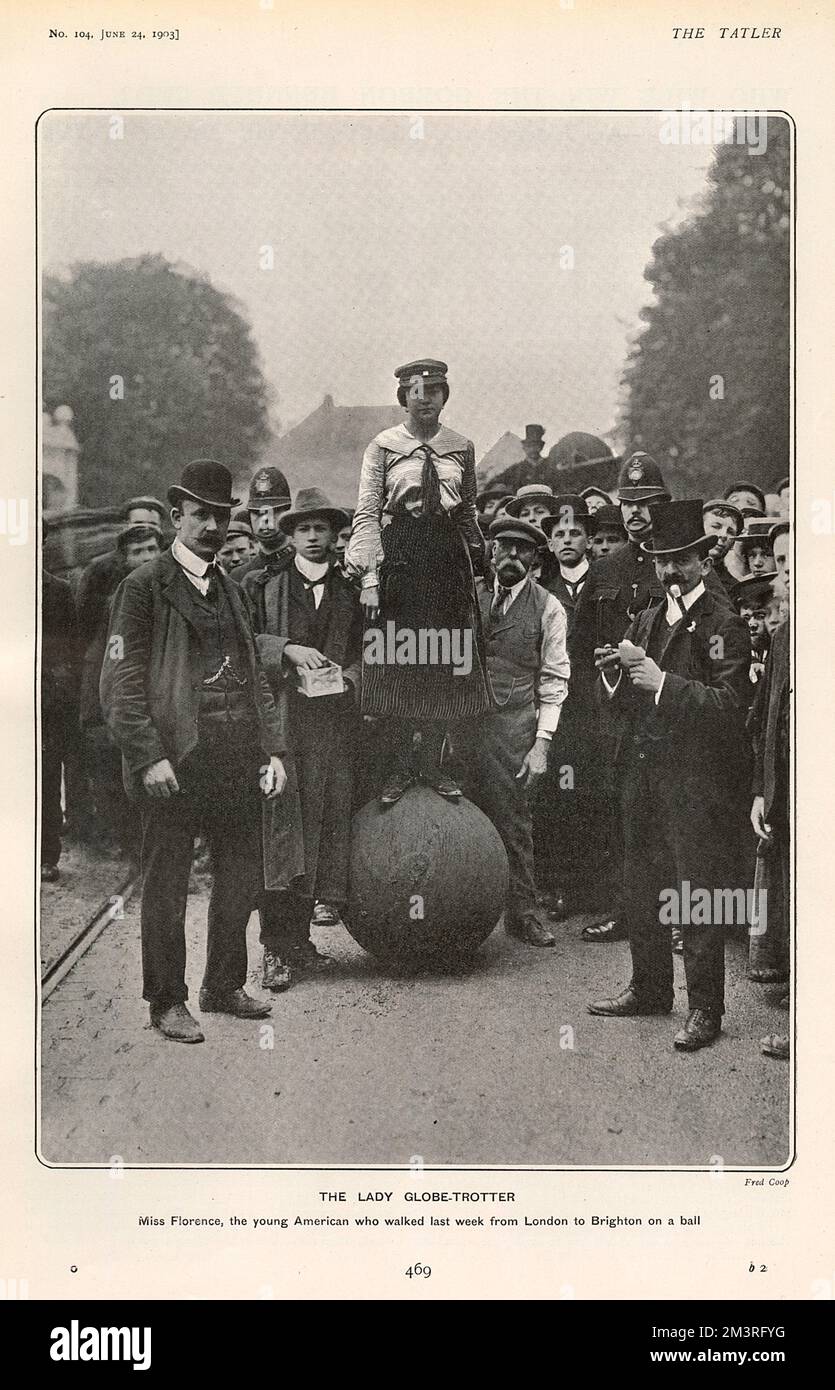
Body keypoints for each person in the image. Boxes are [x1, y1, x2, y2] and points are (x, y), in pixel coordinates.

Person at [100, 460, 287, 1044]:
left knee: (240, 877)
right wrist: (148, 755)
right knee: (167, 883)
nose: (212, 527)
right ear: (177, 517)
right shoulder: (142, 587)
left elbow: (256, 677)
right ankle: (166, 1000)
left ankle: (223, 985)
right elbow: (120, 682)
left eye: (221, 517)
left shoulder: (231, 588)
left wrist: (272, 751)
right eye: (200, 515)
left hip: (235, 756)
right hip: (176, 759)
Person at [588, 500, 751, 1050]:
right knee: (643, 885)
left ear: (704, 561)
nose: (669, 570)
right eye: (660, 560)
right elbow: (626, 700)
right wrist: (614, 677)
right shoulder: (649, 616)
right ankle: (650, 988)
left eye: (680, 559)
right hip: (644, 773)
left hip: (696, 781)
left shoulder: (723, 623)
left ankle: (705, 1008)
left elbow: (731, 706)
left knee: (696, 892)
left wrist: (662, 683)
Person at [345, 358, 493, 804]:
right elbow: (368, 512)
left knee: (443, 660)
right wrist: (370, 578)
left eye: (433, 390)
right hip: (401, 556)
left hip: (447, 560)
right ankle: (399, 766)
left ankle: (431, 763)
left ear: (445, 396)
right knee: (400, 657)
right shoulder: (383, 446)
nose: (423, 399)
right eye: (414, 391)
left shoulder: (461, 447)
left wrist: (480, 561)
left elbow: (467, 512)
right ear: (403, 398)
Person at [242, 488, 362, 990]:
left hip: (333, 728)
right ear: (289, 536)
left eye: (321, 528)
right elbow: (242, 642)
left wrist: (349, 678)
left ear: (335, 535)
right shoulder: (263, 586)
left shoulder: (353, 591)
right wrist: (287, 648)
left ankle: (301, 942)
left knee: (322, 830)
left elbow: (370, 650)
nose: (313, 537)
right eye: (304, 529)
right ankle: (275, 947)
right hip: (282, 726)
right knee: (282, 836)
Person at [456, 514, 569, 946]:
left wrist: (542, 745)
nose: (511, 556)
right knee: (459, 816)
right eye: (504, 546)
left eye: (522, 550)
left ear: (535, 559)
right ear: (491, 551)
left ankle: (523, 914)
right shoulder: (468, 593)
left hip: (513, 729)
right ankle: (461, 911)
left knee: (513, 821)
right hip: (463, 724)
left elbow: (554, 680)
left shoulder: (548, 607)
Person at [80, 523, 163, 859]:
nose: (145, 557)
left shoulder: (171, 592)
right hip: (117, 696)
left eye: (151, 549)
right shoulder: (117, 600)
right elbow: (102, 651)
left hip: (157, 697)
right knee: (115, 773)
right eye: (137, 552)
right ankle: (130, 847)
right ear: (124, 559)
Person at [749, 549, 790, 1055]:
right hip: (788, 791)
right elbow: (766, 720)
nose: (788, 579)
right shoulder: (784, 637)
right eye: (786, 568)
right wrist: (762, 790)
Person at [41, 529, 79, 882]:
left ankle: (46, 854)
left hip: (48, 700)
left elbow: (71, 647)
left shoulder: (58, 591)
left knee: (47, 774)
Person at [230, 467, 295, 584]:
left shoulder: (305, 565)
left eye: (274, 511)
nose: (265, 520)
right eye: (257, 513)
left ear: (287, 512)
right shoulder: (238, 576)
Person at [488, 425, 548, 493]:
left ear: (541, 447)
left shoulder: (550, 466)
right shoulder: (516, 469)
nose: (532, 449)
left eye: (536, 446)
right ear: (524, 448)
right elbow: (494, 483)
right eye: (529, 446)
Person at [702, 498, 744, 594]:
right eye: (716, 527)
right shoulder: (675, 570)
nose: (724, 535)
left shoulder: (735, 589)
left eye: (730, 532)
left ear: (733, 542)